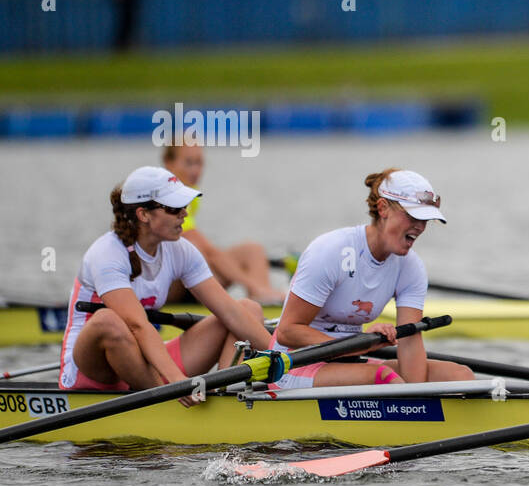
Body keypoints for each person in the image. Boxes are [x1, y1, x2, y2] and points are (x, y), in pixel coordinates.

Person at [60, 166, 272, 405]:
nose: (184, 213)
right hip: (94, 370)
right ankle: (172, 396)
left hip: (144, 362)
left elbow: (230, 312)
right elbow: (137, 326)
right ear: (143, 215)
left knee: (248, 309)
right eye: (173, 208)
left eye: (184, 206)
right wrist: (177, 380)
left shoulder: (179, 249)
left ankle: (226, 400)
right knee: (109, 321)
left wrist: (288, 358)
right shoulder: (107, 253)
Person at [269, 168, 474, 389]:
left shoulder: (411, 267)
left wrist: (417, 390)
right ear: (383, 208)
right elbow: (288, 331)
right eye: (413, 216)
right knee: (383, 376)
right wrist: (352, 346)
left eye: (426, 220)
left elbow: (410, 344)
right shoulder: (330, 251)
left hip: (347, 361)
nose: (420, 227)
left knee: (459, 376)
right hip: (291, 365)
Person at [162, 144, 285, 305]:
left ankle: (263, 299)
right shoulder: (167, 196)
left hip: (191, 281)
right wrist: (250, 284)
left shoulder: (191, 193)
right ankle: (258, 292)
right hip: (169, 287)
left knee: (252, 250)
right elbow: (208, 251)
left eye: (199, 163)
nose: (195, 170)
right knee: (196, 246)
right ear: (168, 163)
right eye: (189, 162)